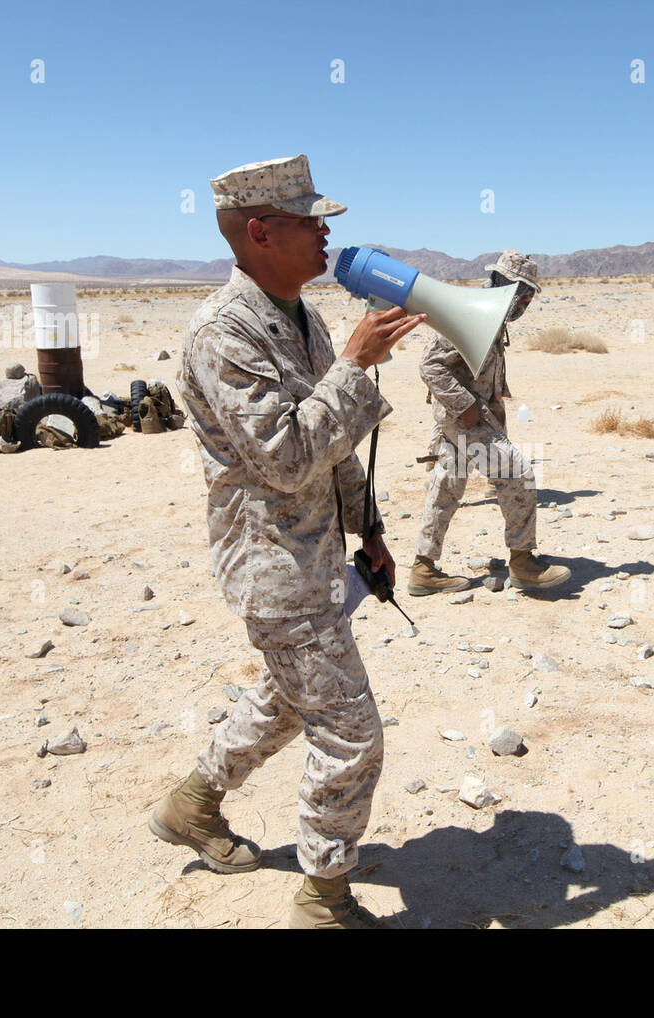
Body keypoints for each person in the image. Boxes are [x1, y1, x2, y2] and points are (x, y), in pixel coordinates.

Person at [148, 155, 426, 929]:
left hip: (315, 557)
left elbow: (331, 448)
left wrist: (367, 527)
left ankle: (192, 805)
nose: (327, 231)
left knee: (285, 697)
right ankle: (324, 899)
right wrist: (357, 368)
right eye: (311, 220)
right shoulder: (221, 333)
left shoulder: (305, 317)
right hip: (272, 563)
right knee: (350, 732)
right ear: (262, 232)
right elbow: (285, 455)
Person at [408, 249, 571, 595]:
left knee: (446, 488)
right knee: (520, 476)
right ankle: (524, 563)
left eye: (530, 295)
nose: (525, 301)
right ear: (500, 284)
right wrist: (465, 406)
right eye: (520, 291)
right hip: (466, 421)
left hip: (466, 420)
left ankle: (423, 570)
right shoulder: (473, 314)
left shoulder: (491, 315)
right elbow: (430, 366)